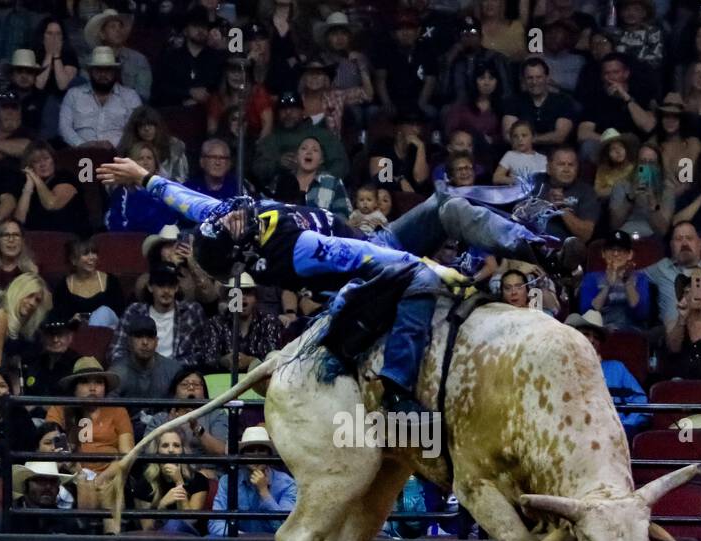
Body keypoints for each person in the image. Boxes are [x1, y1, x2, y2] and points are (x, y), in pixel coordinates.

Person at [97, 155, 583, 412]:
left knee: (448, 208)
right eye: (231, 224)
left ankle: (541, 249)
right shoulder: (297, 250)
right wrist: (435, 267)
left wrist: (144, 177)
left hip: (372, 241)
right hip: (362, 285)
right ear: (243, 251)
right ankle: (399, 384)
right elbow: (380, 261)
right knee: (416, 278)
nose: (232, 215)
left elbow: (190, 201)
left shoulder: (225, 220)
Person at [46, 356, 134, 529]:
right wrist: (79, 472)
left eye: (99, 382)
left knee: (111, 489)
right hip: (71, 473)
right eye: (85, 382)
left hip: (111, 475)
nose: (93, 388)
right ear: (74, 387)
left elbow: (127, 455)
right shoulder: (59, 409)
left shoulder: (118, 411)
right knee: (83, 484)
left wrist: (102, 478)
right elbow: (54, 442)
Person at [110, 267, 219, 368]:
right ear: (150, 287)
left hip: (180, 373)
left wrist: (169, 368)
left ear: (176, 288)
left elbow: (205, 352)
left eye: (171, 285)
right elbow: (116, 350)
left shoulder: (192, 311)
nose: (166, 291)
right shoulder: (134, 311)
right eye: (161, 285)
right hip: (140, 372)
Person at [564, 311, 649, 436]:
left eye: (596, 337)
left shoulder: (617, 368)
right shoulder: (565, 368)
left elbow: (641, 403)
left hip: (615, 436)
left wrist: (626, 425)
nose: (592, 340)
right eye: (586, 334)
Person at [208, 425, 298, 536]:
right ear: (243, 454)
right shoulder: (227, 481)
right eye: (250, 450)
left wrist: (264, 493)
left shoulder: (287, 483)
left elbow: (287, 529)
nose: (256, 455)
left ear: (269, 454)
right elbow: (215, 523)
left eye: (261, 450)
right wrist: (244, 538)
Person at [576, 53, 656, 159]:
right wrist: (614, 142)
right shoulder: (595, 99)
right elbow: (583, 133)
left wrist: (626, 98)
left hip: (635, 148)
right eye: (607, 73)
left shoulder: (640, 94)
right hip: (606, 148)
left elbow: (649, 126)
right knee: (588, 146)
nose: (612, 77)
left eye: (616, 72)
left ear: (626, 73)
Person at [58, 46, 141, 149]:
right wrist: (82, 145)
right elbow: (64, 128)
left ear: (115, 72)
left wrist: (119, 149)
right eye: (98, 70)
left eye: (108, 70)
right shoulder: (74, 94)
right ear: (90, 72)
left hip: (119, 156)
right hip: (82, 156)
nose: (103, 74)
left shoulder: (130, 96)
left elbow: (136, 130)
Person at [132, 427, 211, 533]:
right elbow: (147, 528)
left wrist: (179, 482)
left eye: (176, 445)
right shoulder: (145, 482)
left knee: (175, 524)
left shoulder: (198, 480)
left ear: (183, 450)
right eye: (165, 446)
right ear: (157, 451)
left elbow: (191, 521)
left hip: (190, 540)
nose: (170, 450)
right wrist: (162, 505)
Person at [150, 6, 225, 108]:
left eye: (204, 26)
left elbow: (220, 90)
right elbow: (159, 89)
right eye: (195, 25)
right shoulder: (169, 57)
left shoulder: (218, 59)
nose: (200, 30)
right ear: (185, 30)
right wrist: (188, 92)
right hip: (174, 114)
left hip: (207, 113)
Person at [578, 230, 650, 333]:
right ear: (603, 253)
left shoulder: (640, 278)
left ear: (630, 254)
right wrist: (608, 285)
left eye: (621, 250)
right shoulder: (591, 278)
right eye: (611, 249)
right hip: (599, 332)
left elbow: (641, 313)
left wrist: (628, 282)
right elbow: (587, 313)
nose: (616, 254)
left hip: (631, 332)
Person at [15, 141, 89, 236]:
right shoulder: (25, 184)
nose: (42, 164)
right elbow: (19, 221)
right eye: (36, 161)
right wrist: (28, 186)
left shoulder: (65, 177)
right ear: (30, 166)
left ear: (53, 160)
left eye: (46, 159)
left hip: (68, 238)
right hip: (35, 238)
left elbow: (51, 204)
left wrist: (36, 178)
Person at [500, 57, 576, 149]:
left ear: (547, 78)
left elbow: (559, 136)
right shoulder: (513, 101)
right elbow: (508, 135)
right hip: (522, 155)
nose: (534, 82)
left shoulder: (563, 101)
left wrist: (528, 140)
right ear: (523, 80)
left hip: (554, 156)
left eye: (539, 77)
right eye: (530, 78)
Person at [51, 237, 125, 330]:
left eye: (94, 253)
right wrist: (71, 321)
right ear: (73, 260)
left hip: (110, 334)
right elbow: (58, 319)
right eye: (86, 254)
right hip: (76, 335)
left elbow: (122, 315)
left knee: (103, 312)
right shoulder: (62, 287)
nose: (92, 257)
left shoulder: (112, 281)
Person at [266, 137, 351, 218]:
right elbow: (265, 208)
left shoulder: (332, 183)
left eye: (315, 150)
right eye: (304, 148)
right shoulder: (281, 180)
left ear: (321, 160)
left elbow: (344, 215)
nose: (309, 152)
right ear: (296, 156)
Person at [83, 7, 151, 102]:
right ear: (102, 34)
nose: (118, 30)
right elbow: (86, 93)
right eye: (112, 26)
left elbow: (143, 95)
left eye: (120, 26)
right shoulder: (90, 61)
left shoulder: (139, 60)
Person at [609, 143, 673, 238]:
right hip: (624, 236)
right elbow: (614, 224)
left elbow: (662, 230)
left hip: (651, 239)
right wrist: (631, 196)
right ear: (636, 165)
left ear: (658, 167)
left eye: (651, 163)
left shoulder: (666, 190)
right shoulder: (621, 185)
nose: (647, 167)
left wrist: (652, 200)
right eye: (643, 162)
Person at [207, 57, 275, 141]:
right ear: (226, 73)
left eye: (241, 71)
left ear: (247, 74)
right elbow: (211, 131)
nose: (236, 75)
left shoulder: (258, 92)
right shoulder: (217, 97)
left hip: (255, 145)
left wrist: (257, 148)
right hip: (225, 145)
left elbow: (267, 127)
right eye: (232, 70)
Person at [9, 461, 86, 534]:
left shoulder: (68, 523)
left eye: (53, 481)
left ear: (58, 488)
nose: (48, 486)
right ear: (25, 486)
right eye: (41, 480)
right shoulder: (11, 518)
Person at [117, 106, 190, 184]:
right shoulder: (127, 149)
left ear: (158, 126)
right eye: (141, 125)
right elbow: (118, 179)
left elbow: (181, 178)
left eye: (150, 124)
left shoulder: (174, 147)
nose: (147, 129)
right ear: (135, 129)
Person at [21, 313, 82, 398]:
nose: (55, 340)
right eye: (50, 334)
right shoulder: (33, 362)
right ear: (42, 337)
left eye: (60, 334)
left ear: (70, 337)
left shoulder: (79, 364)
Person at [0, 219, 36, 287]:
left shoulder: (31, 270)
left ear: (22, 241)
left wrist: (35, 277)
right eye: (6, 235)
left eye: (16, 235)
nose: (11, 240)